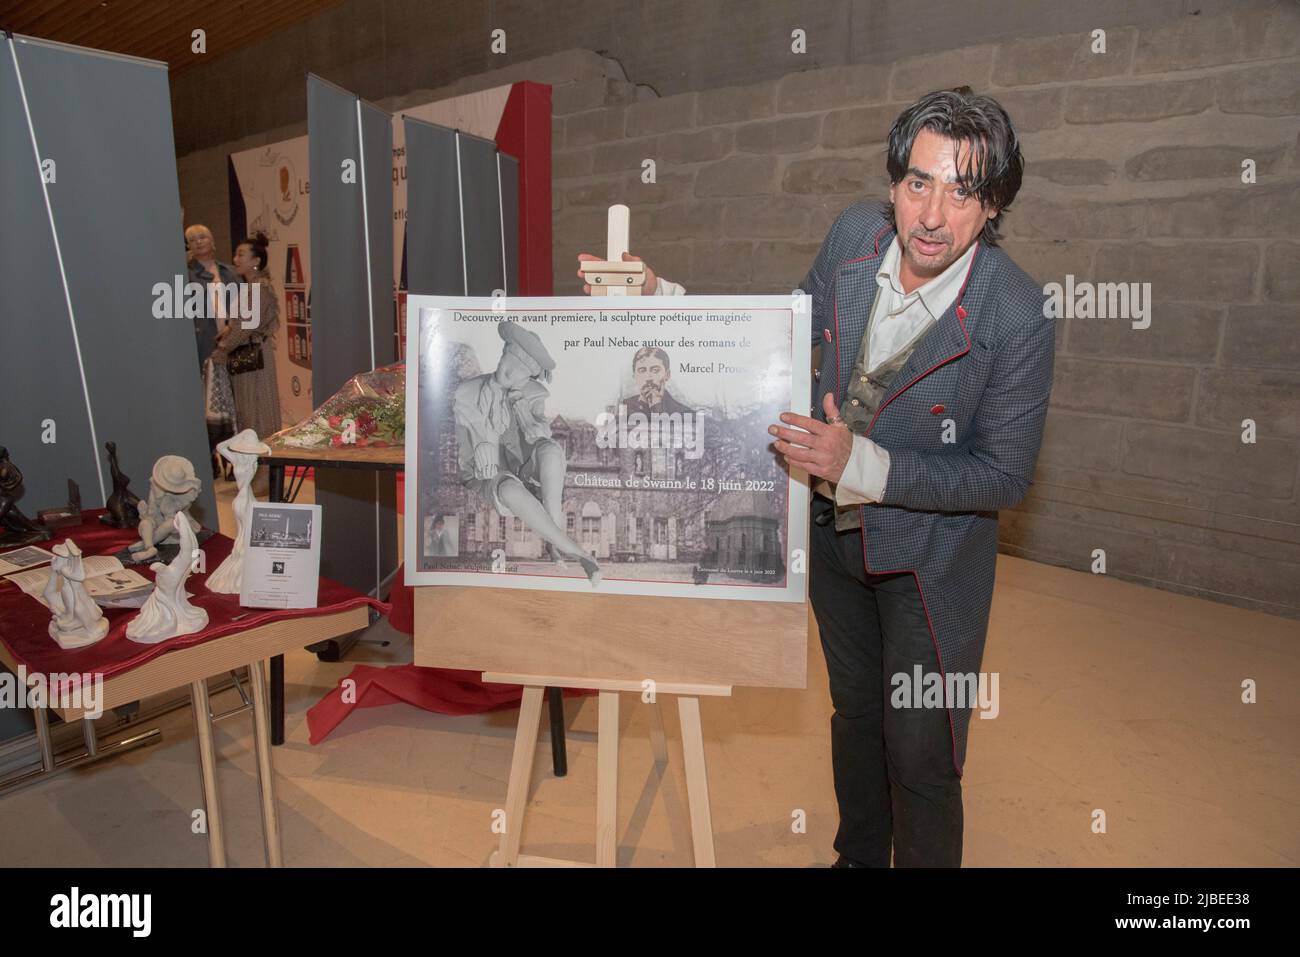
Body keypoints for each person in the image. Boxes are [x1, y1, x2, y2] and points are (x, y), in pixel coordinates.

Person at [578, 89, 1054, 867]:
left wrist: (855, 461)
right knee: (854, 715)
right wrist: (663, 300)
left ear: (995, 201)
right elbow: (779, 329)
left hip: (928, 563)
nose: (931, 215)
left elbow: (1003, 475)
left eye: (962, 191)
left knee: (922, 748)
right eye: (917, 183)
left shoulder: (1018, 313)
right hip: (836, 539)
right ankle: (860, 856)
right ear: (894, 180)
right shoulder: (853, 237)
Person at [452, 321, 600, 585]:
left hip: (522, 464)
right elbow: (475, 432)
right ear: (502, 354)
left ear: (528, 378)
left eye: (518, 372)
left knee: (553, 450)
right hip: (484, 471)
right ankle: (569, 547)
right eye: (506, 361)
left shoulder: (532, 395)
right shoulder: (468, 391)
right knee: (509, 488)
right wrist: (482, 447)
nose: (507, 371)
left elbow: (539, 436)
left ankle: (552, 536)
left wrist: (528, 419)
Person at [213, 232, 283, 444]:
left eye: (241, 254)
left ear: (256, 261)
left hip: (254, 360)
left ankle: (264, 471)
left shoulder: (258, 288)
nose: (236, 259)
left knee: (259, 413)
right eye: (236, 254)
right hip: (248, 359)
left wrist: (223, 348)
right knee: (250, 413)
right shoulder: (251, 287)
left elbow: (246, 325)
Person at [185, 224, 239, 476]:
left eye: (202, 236)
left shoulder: (229, 271)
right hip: (202, 348)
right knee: (205, 408)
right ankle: (209, 458)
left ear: (213, 239)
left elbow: (244, 310)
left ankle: (233, 460)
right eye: (192, 239)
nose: (198, 242)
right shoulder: (185, 273)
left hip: (232, 348)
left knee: (233, 407)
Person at [620, 346, 694, 417]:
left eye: (655, 370)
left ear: (667, 375)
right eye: (642, 371)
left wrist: (657, 408)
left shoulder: (685, 413)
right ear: (634, 377)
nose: (648, 378)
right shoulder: (625, 406)